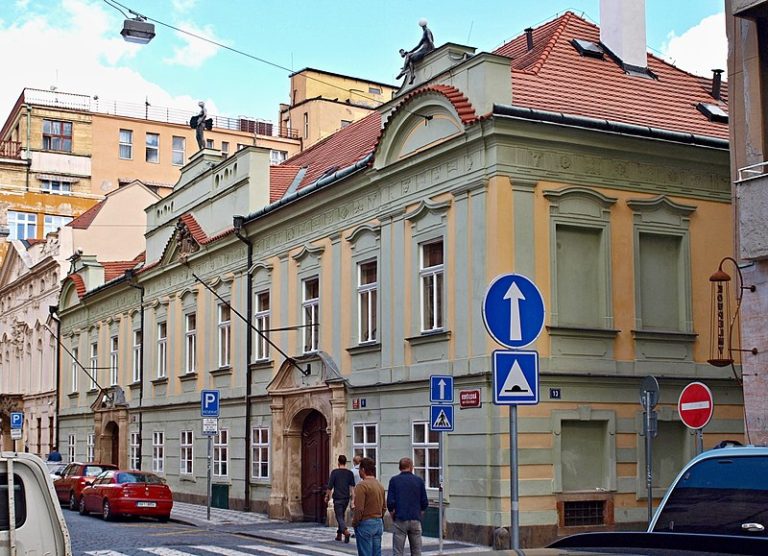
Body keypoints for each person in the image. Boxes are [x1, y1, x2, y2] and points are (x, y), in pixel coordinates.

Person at [387, 457, 429, 556]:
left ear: (400, 467)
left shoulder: (394, 480)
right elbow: (424, 502)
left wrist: (393, 514)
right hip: (415, 518)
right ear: (411, 467)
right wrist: (420, 513)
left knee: (398, 551)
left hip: (400, 518)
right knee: (416, 551)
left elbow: (390, 502)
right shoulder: (419, 481)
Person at [352, 457, 386, 556]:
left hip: (366, 522)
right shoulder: (379, 485)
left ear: (363, 470)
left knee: (365, 552)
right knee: (376, 553)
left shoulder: (362, 486)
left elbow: (359, 509)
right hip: (378, 522)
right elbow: (384, 507)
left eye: (359, 470)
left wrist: (355, 522)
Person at [325, 454, 355, 543]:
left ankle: (345, 532)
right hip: (346, 498)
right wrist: (353, 500)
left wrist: (327, 496)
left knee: (339, 516)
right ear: (345, 462)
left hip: (338, 498)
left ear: (338, 462)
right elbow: (352, 488)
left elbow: (330, 486)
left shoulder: (334, 472)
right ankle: (339, 535)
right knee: (341, 515)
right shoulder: (350, 473)